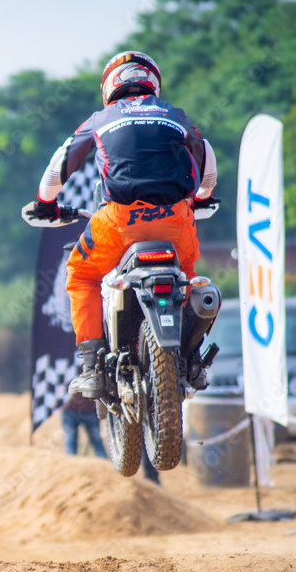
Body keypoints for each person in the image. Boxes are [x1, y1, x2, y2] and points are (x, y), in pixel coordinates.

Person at [27, 51, 217, 399]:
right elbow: (206, 155)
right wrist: (203, 198)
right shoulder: (174, 115)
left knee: (81, 275)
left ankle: (91, 368)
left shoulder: (101, 118)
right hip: (175, 220)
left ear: (110, 85)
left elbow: (60, 164)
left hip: (119, 220)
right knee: (186, 277)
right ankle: (191, 359)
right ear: (152, 82)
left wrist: (46, 203)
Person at [61, 394, 107, 459]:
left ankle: (104, 465)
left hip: (89, 409)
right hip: (70, 410)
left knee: (97, 442)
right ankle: (70, 466)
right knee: (70, 443)